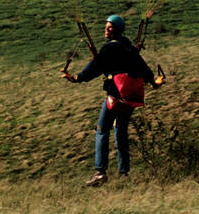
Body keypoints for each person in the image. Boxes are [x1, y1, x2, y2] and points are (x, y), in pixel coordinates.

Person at [61, 14, 162, 185]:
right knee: (120, 132)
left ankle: (100, 172)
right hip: (130, 98)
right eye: (106, 27)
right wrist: (153, 81)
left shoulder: (109, 48)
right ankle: (124, 174)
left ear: (117, 30)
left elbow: (96, 67)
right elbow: (143, 67)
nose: (106, 30)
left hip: (115, 97)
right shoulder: (129, 48)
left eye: (110, 27)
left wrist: (77, 78)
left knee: (101, 129)